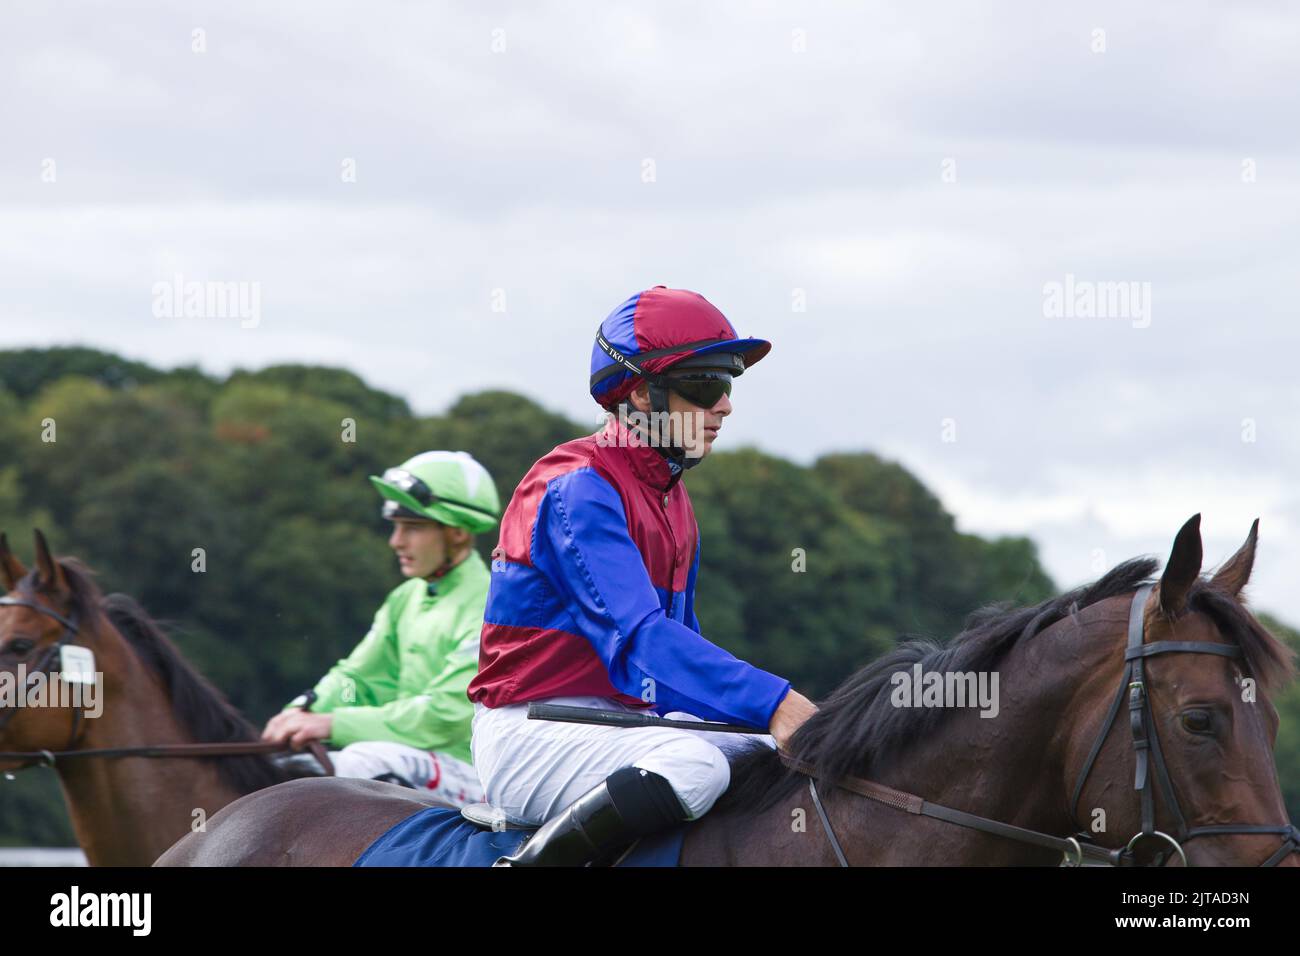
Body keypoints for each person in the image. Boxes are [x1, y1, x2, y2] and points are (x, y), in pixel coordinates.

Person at [468, 285, 818, 865]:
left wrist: (784, 722)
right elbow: (643, 640)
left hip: (620, 724)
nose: (724, 406)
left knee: (769, 756)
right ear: (639, 394)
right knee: (695, 765)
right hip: (530, 730)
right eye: (704, 386)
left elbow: (682, 654)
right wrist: (776, 701)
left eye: (727, 385)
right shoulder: (577, 486)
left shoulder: (672, 499)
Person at [262, 450, 500, 807]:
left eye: (413, 528)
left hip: (475, 775)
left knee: (363, 761)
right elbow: (357, 678)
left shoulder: (491, 603)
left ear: (458, 534)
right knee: (276, 768)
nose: (396, 541)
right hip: (406, 760)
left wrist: (331, 724)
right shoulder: (404, 598)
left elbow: (443, 717)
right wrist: (302, 710)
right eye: (395, 526)